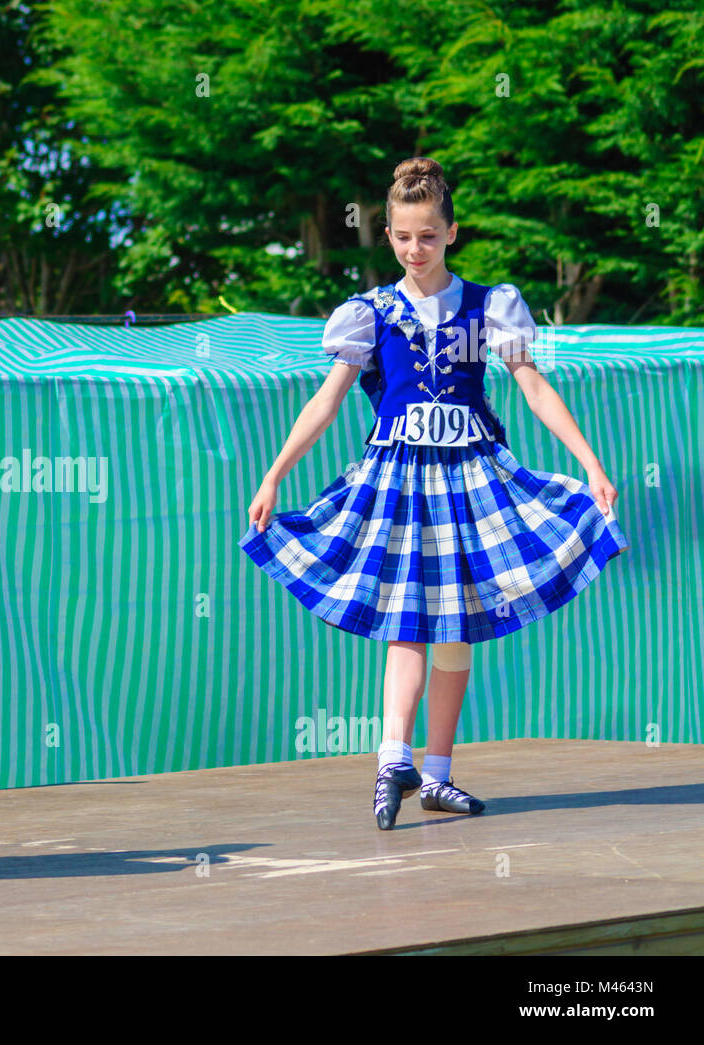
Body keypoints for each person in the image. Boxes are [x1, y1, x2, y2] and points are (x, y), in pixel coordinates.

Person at [239, 157, 628, 831]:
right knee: (407, 615)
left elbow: (532, 387)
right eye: (401, 236)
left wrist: (589, 460)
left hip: (471, 479)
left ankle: (438, 772)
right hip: (398, 481)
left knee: (456, 629)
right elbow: (326, 402)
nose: (414, 249)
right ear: (387, 234)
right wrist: (275, 473)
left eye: (427, 235)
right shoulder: (371, 312)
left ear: (452, 232)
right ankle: (394, 756)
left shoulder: (488, 306)